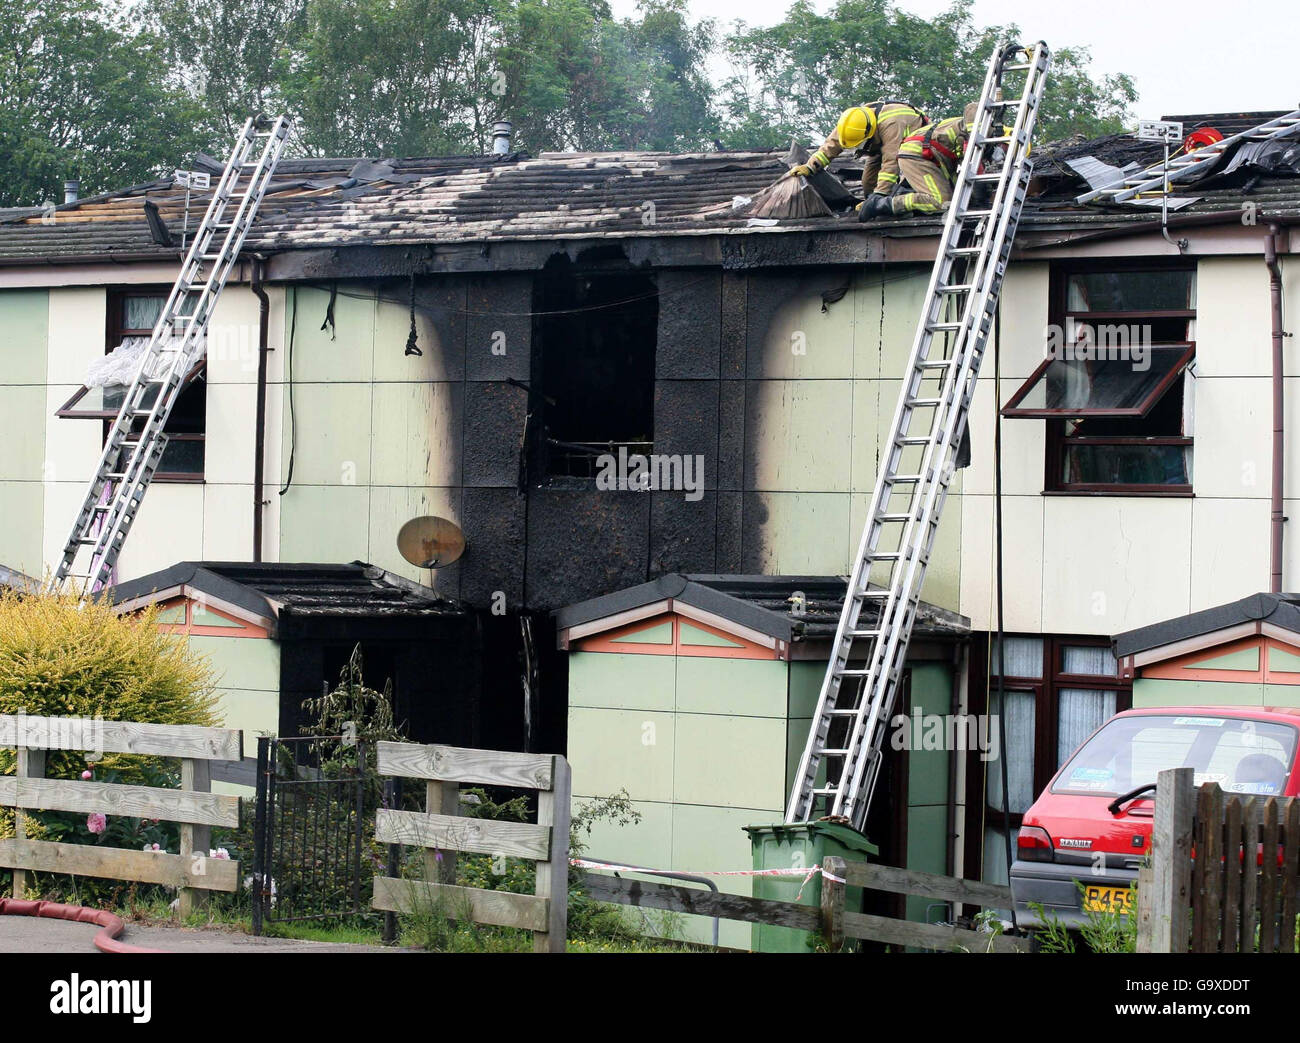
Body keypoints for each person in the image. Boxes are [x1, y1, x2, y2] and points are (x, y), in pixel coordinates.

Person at [790, 101, 927, 220]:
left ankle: (902, 208)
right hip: (879, 142)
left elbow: (891, 163)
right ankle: (875, 208)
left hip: (915, 142)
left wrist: (878, 197)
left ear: (869, 132)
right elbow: (830, 146)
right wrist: (810, 166)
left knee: (904, 184)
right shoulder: (851, 124)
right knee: (868, 182)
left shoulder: (892, 124)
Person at [886, 102, 982, 216]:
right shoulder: (980, 130)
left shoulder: (975, 138)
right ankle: (888, 204)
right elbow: (972, 107)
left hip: (935, 156)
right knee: (941, 202)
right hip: (917, 153)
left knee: (957, 199)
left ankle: (914, 194)